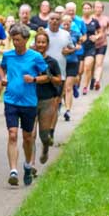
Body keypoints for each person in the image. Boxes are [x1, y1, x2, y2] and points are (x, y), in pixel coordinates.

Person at [0, 24, 50, 187]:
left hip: (29, 102)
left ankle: (28, 165)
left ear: (26, 40)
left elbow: (47, 77)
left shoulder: (35, 57)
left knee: (28, 138)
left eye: (18, 40)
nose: (15, 43)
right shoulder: (8, 55)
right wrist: (3, 78)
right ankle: (13, 170)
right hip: (11, 100)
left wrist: (34, 79)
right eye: (13, 40)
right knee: (12, 134)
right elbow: (1, 68)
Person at [31, 28, 65, 163]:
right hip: (31, 99)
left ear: (47, 45)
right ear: (34, 43)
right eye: (38, 42)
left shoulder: (52, 62)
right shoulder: (30, 60)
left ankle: (45, 148)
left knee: (44, 135)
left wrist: (49, 77)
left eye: (43, 42)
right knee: (30, 135)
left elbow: (58, 81)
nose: (40, 45)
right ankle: (31, 164)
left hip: (47, 100)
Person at [91, 0, 109, 90]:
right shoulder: (90, 18)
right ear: (93, 8)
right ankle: (92, 79)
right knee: (92, 64)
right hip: (91, 45)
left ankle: (97, 81)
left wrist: (108, 31)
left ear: (102, 9)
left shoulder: (106, 19)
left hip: (102, 44)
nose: (98, 9)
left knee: (99, 63)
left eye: (100, 7)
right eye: (97, 7)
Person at [79, 1, 99, 94]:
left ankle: (85, 87)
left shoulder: (94, 21)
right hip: (80, 47)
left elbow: (100, 32)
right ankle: (77, 85)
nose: (86, 10)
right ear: (82, 10)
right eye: (85, 8)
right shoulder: (78, 21)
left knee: (88, 67)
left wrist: (96, 37)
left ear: (91, 10)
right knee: (80, 70)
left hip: (90, 47)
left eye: (88, 8)